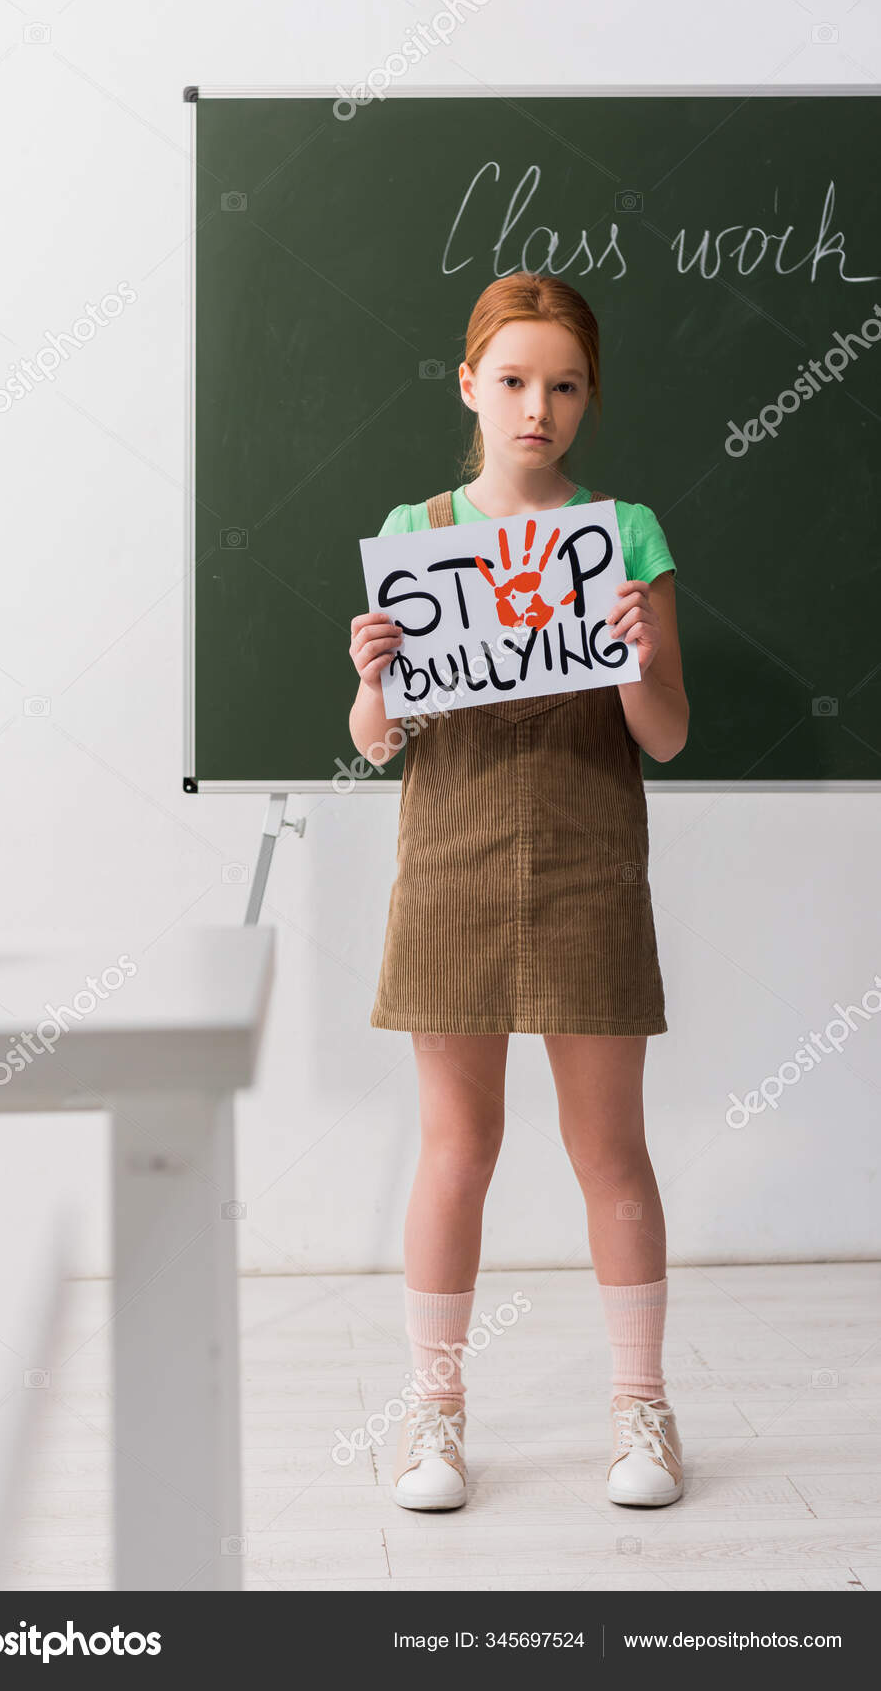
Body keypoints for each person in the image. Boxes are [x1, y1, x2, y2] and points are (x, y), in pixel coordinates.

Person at [347, 271, 689, 1512]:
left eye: (563, 384)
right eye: (512, 381)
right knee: (458, 1147)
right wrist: (375, 677)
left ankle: (642, 1409)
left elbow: (665, 734)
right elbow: (379, 739)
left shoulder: (626, 532)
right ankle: (433, 1417)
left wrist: (640, 652)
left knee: (611, 1149)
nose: (535, 406)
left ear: (589, 397)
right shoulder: (419, 527)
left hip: (591, 862)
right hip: (450, 864)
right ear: (469, 386)